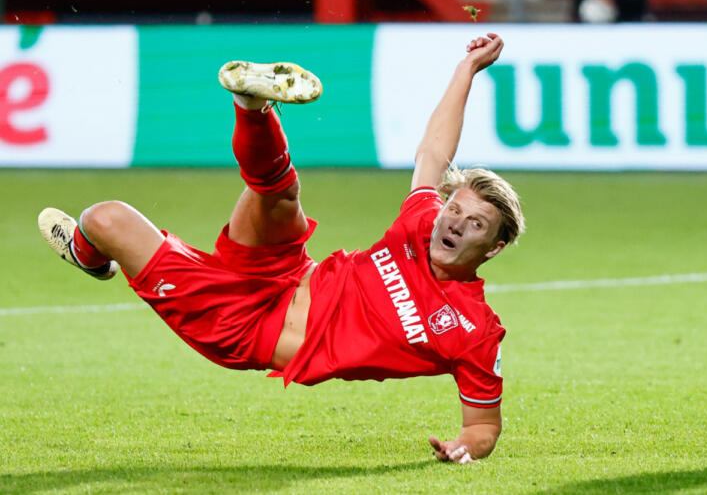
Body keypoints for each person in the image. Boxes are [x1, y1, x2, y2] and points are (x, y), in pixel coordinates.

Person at [37, 34, 523, 465]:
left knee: (104, 217)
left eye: (474, 223)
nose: (453, 223)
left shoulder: (475, 330)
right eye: (453, 209)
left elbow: (483, 427)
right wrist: (467, 70)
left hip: (243, 325)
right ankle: (252, 105)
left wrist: (465, 447)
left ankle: (87, 250)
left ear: (495, 248)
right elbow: (433, 154)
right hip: (285, 268)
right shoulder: (420, 224)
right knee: (280, 192)